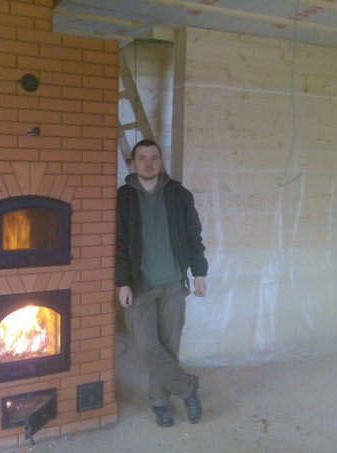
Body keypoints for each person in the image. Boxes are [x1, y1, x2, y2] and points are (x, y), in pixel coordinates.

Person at [115, 138, 208, 427]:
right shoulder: (122, 198)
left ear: (160, 160)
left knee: (169, 346)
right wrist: (122, 282)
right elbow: (118, 245)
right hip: (140, 287)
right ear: (133, 162)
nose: (148, 163)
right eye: (142, 158)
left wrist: (199, 272)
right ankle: (187, 387)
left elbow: (193, 236)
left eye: (153, 157)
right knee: (146, 346)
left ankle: (159, 402)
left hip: (173, 285)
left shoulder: (179, 194)